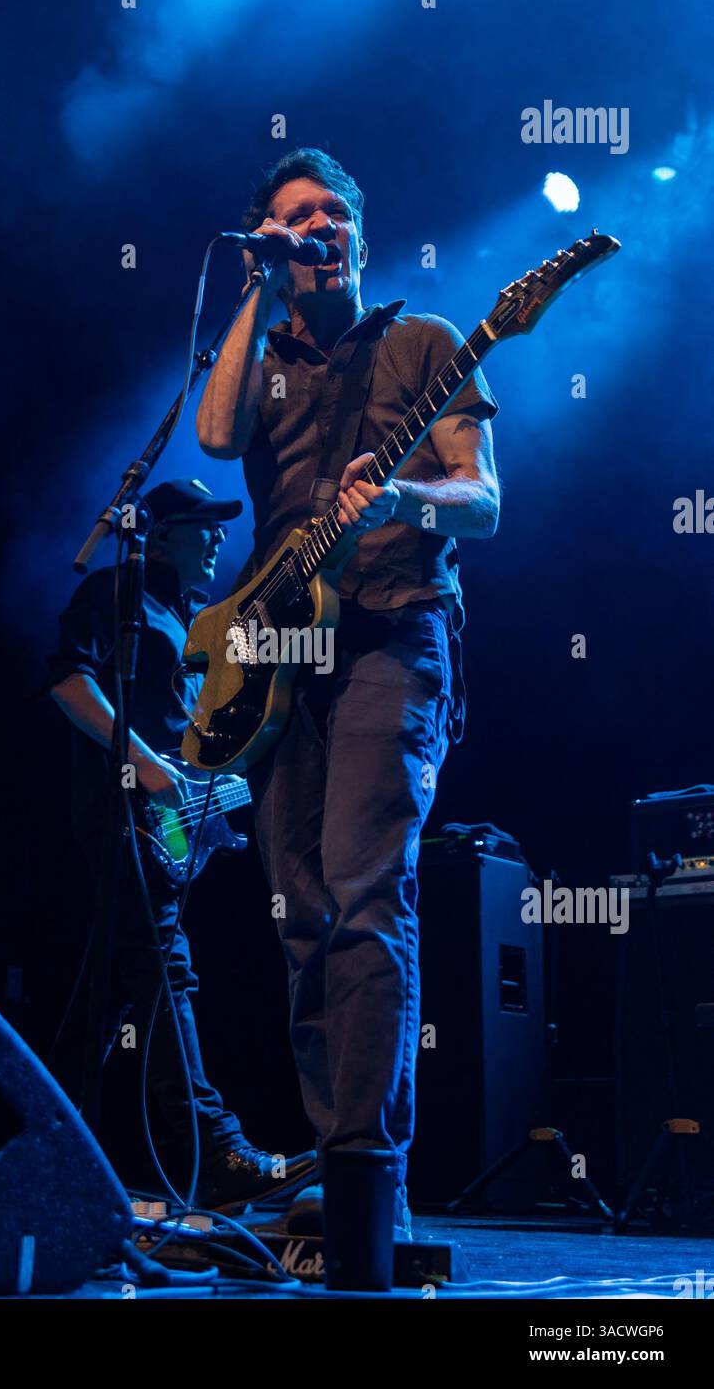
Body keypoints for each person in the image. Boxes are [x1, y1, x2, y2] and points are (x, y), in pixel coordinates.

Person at [196, 149, 500, 1237]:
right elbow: (218, 435)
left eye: (330, 213)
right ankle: (341, 1163)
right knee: (302, 914)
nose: (315, 226)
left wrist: (400, 501)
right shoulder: (265, 352)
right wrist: (258, 288)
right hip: (278, 655)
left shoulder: (425, 345)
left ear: (362, 237)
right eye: (291, 217)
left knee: (368, 890)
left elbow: (483, 501)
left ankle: (369, 1175)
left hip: (390, 630)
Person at [47, 477, 315, 1210]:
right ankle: (218, 1150)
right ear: (159, 534)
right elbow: (69, 684)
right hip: (121, 817)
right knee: (167, 974)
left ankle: (33, 1139)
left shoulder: (199, 619)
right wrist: (141, 761)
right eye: (203, 524)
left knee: (106, 997)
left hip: (176, 826)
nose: (219, 537)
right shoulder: (116, 591)